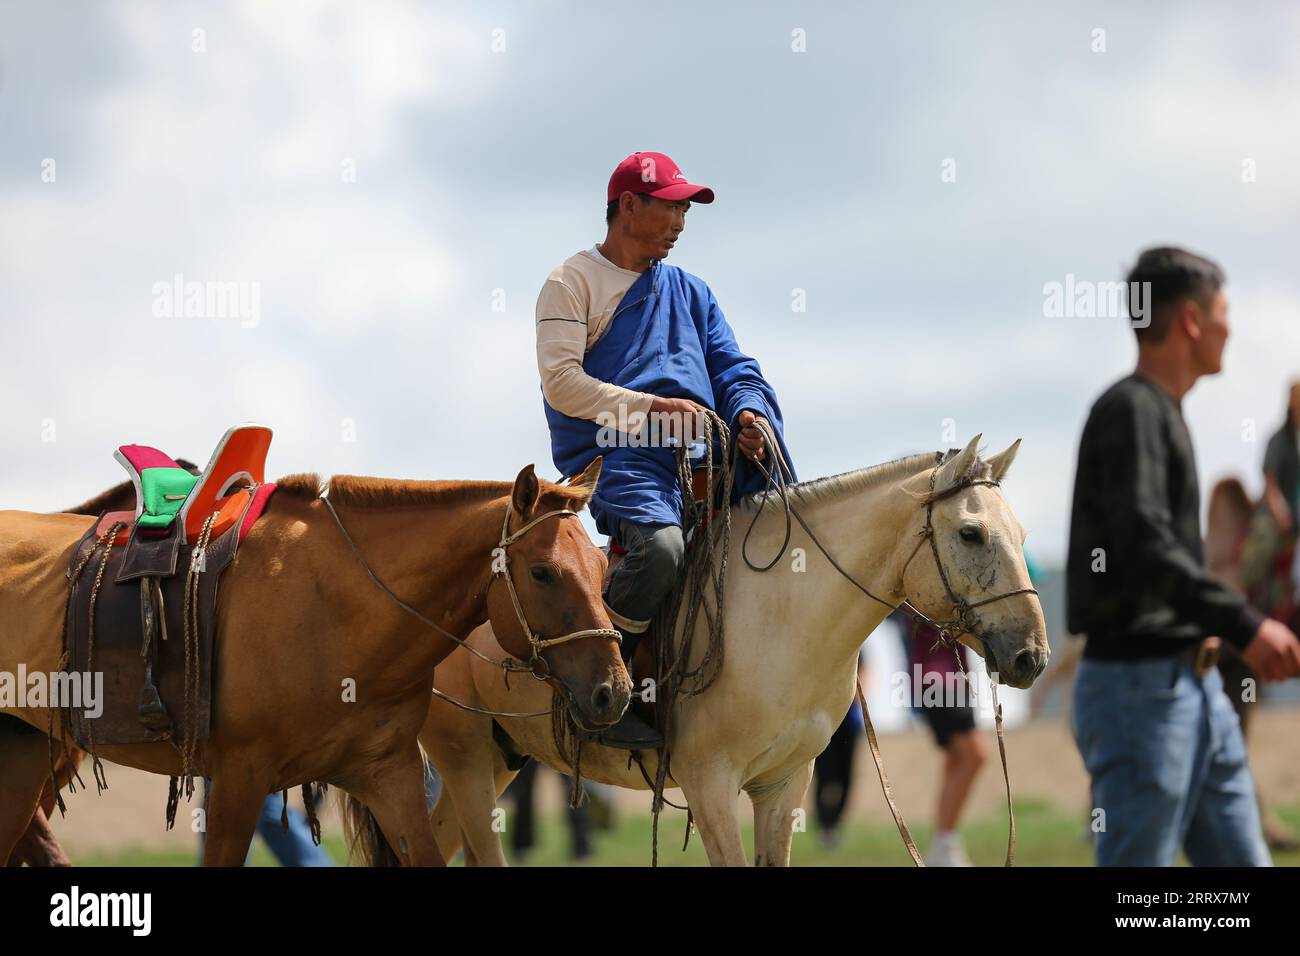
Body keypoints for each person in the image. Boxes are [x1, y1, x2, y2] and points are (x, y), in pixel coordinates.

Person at [535, 151, 796, 747]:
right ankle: (600, 690)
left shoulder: (691, 291)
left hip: (703, 455)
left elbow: (732, 367)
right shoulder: (570, 283)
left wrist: (750, 414)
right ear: (629, 205)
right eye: (672, 206)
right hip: (619, 458)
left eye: (686, 209)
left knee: (782, 535)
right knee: (660, 550)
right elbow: (562, 382)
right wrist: (654, 410)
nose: (681, 220)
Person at [1066, 246, 1300, 866]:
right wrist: (1247, 623)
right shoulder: (1130, 413)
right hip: (1140, 694)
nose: (1232, 326)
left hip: (1196, 692)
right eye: (1224, 310)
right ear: (1192, 321)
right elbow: (1147, 551)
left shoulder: (1163, 413)